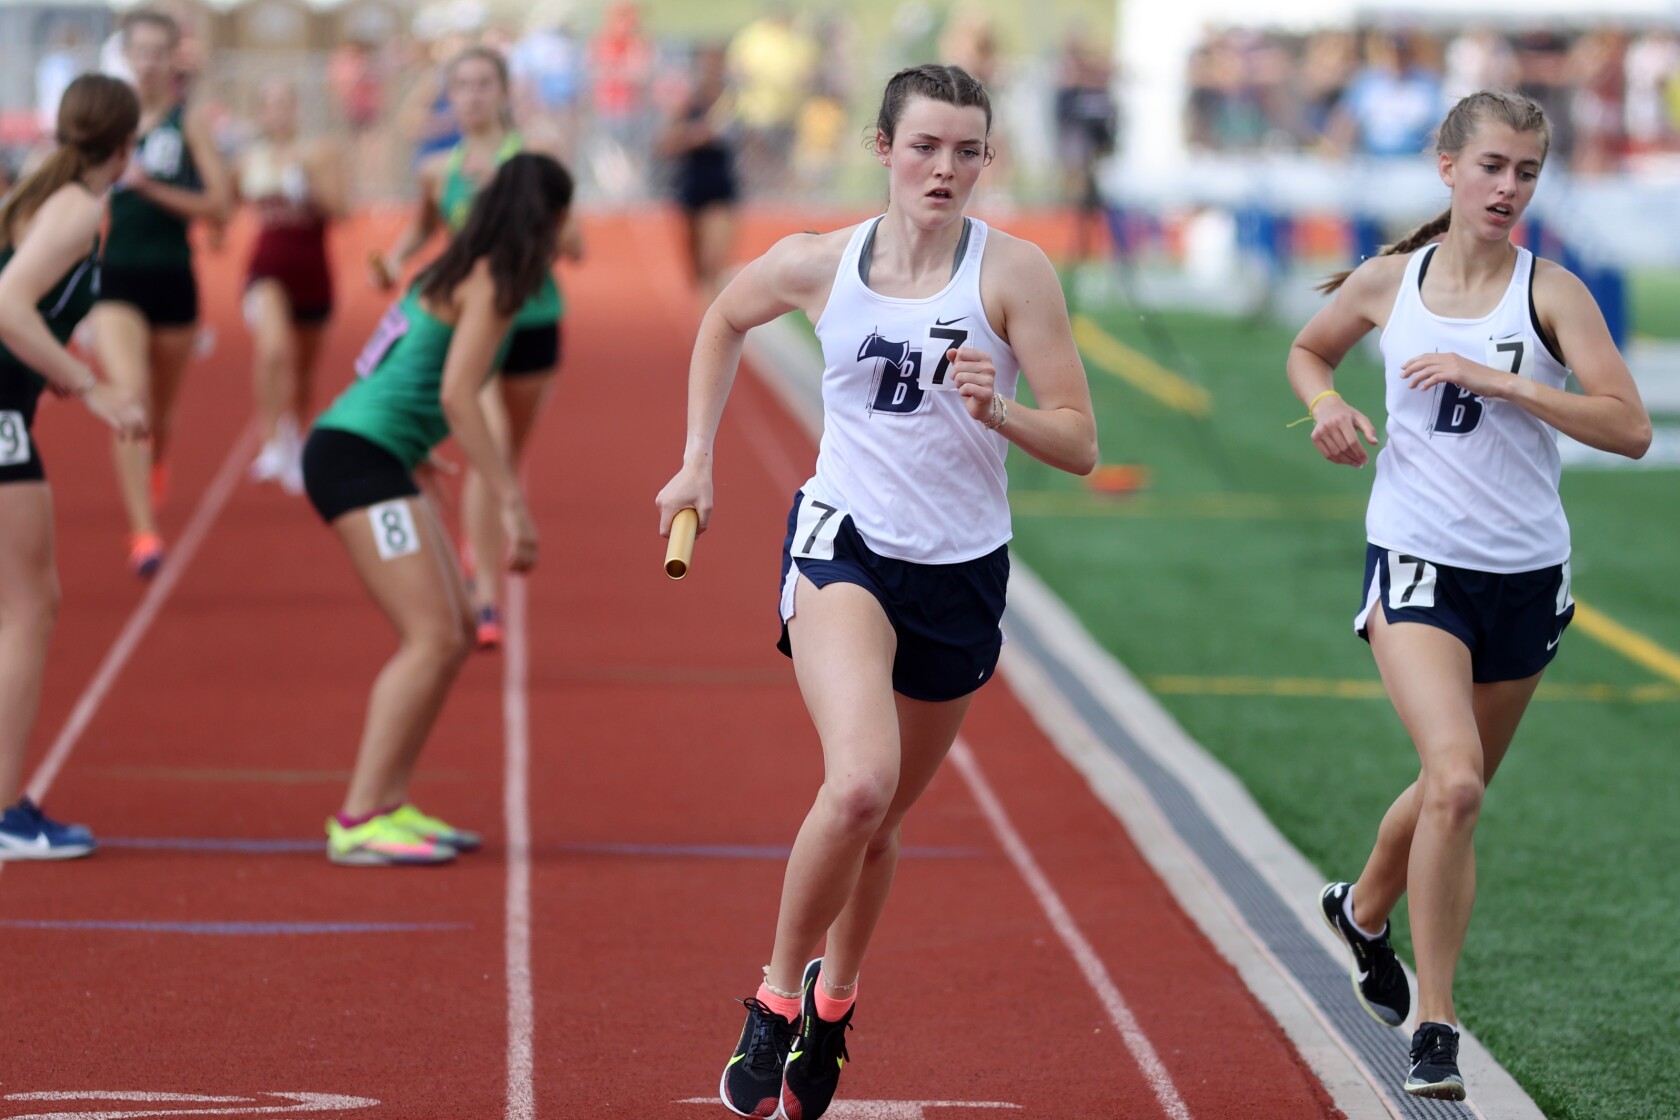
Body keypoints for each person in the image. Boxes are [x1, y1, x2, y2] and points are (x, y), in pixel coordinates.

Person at [654, 64, 1097, 1120]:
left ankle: (836, 1003)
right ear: (883, 149)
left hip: (961, 569)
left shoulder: (1015, 276)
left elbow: (1080, 442)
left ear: (989, 159)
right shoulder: (821, 263)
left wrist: (1004, 413)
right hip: (843, 542)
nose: (945, 168)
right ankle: (772, 995)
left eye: (966, 151)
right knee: (857, 784)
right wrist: (696, 460)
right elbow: (723, 319)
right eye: (926, 146)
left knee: (885, 817)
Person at [1287, 90, 1651, 1101]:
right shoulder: (1388, 282)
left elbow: (1628, 428)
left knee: (1456, 785)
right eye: (1492, 166)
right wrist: (1325, 404)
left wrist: (1516, 384)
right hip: (1415, 560)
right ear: (1447, 166)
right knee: (1453, 783)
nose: (1509, 188)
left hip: (1527, 575)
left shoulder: (1553, 294)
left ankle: (1362, 909)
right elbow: (1309, 347)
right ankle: (1437, 1022)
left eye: (1527, 172)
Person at [302, 152, 571, 867]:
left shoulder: (450, 269)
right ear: (545, 220)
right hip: (356, 457)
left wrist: (413, 446)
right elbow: (457, 393)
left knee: (451, 632)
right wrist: (510, 501)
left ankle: (388, 803)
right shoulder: (495, 283)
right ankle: (359, 815)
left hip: (373, 450)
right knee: (429, 635)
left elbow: (383, 367)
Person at [373, 45, 582, 651]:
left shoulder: (535, 158)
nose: (470, 95)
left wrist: (527, 206)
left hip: (533, 320)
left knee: (506, 457)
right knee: (482, 445)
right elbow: (421, 226)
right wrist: (391, 259)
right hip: (473, 325)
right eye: (459, 85)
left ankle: (483, 546)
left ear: (503, 91)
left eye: (482, 83)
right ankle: (485, 596)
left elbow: (575, 243)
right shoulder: (439, 170)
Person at [0, 74, 149, 859]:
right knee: (30, 608)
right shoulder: (79, 207)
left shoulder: (41, 190)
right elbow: (7, 304)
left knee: (26, 605)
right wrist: (89, 385)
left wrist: (53, 369)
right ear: (126, 145)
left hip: (10, 406)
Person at [90, 7, 231, 577]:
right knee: (129, 396)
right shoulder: (107, 123)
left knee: (161, 412)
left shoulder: (186, 124)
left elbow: (219, 205)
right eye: (139, 51)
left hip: (173, 277)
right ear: (125, 57)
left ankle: (158, 457)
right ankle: (144, 532)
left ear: (174, 58)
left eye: (158, 52)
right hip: (116, 277)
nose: (147, 63)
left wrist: (152, 188)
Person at [239, 79, 347, 494]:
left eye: (285, 104)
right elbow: (224, 203)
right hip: (267, 269)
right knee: (273, 350)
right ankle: (269, 440)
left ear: (296, 110)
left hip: (313, 270)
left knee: (303, 368)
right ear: (261, 114)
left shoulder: (320, 153)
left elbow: (342, 209)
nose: (278, 113)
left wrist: (308, 188)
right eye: (270, 105)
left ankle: (296, 437)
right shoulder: (250, 158)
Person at [657, 44, 739, 303]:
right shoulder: (688, 104)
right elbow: (665, 145)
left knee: (713, 261)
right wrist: (697, 135)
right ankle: (703, 322)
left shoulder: (733, 103)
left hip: (721, 188)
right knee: (696, 269)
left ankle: (713, 326)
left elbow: (751, 142)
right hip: (691, 186)